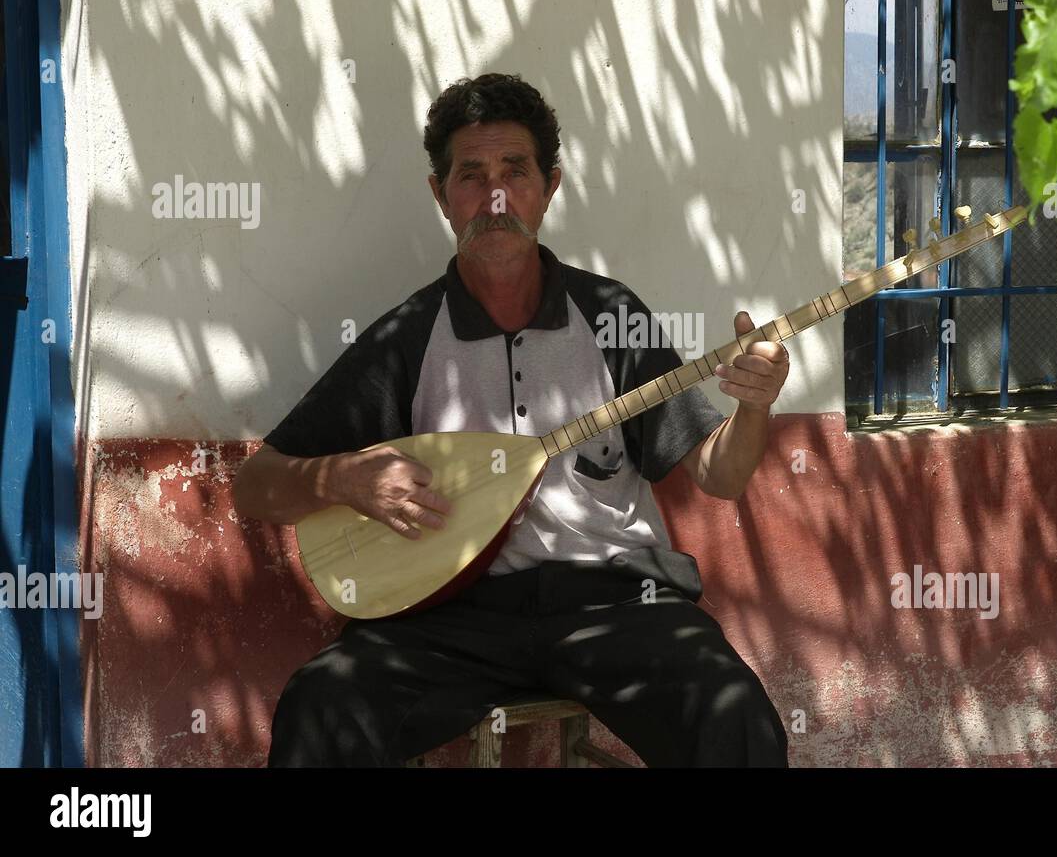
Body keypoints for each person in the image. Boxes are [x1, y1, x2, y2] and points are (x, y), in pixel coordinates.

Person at [233, 72, 791, 767]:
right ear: (440, 195)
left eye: (515, 171)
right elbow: (254, 485)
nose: (495, 198)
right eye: (471, 176)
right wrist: (342, 478)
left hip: (616, 603)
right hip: (450, 616)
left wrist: (754, 407)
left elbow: (722, 474)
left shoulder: (610, 316)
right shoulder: (408, 338)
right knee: (320, 709)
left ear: (549, 186)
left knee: (734, 718)